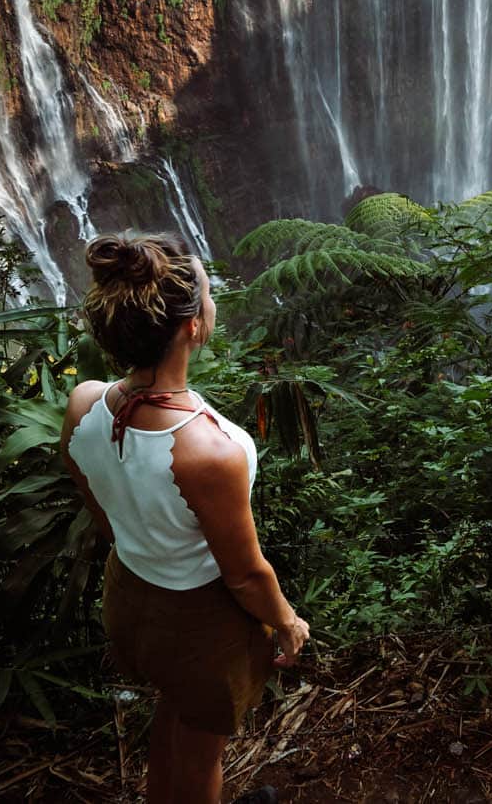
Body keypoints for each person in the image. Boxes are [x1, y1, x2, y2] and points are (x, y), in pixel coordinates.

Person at [61, 232, 310, 804]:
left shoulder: (84, 403)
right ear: (193, 326)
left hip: (128, 597)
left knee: (175, 712)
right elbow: (245, 575)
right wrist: (289, 623)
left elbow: (100, 504)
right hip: (199, 624)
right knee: (203, 757)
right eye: (206, 291)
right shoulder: (211, 451)